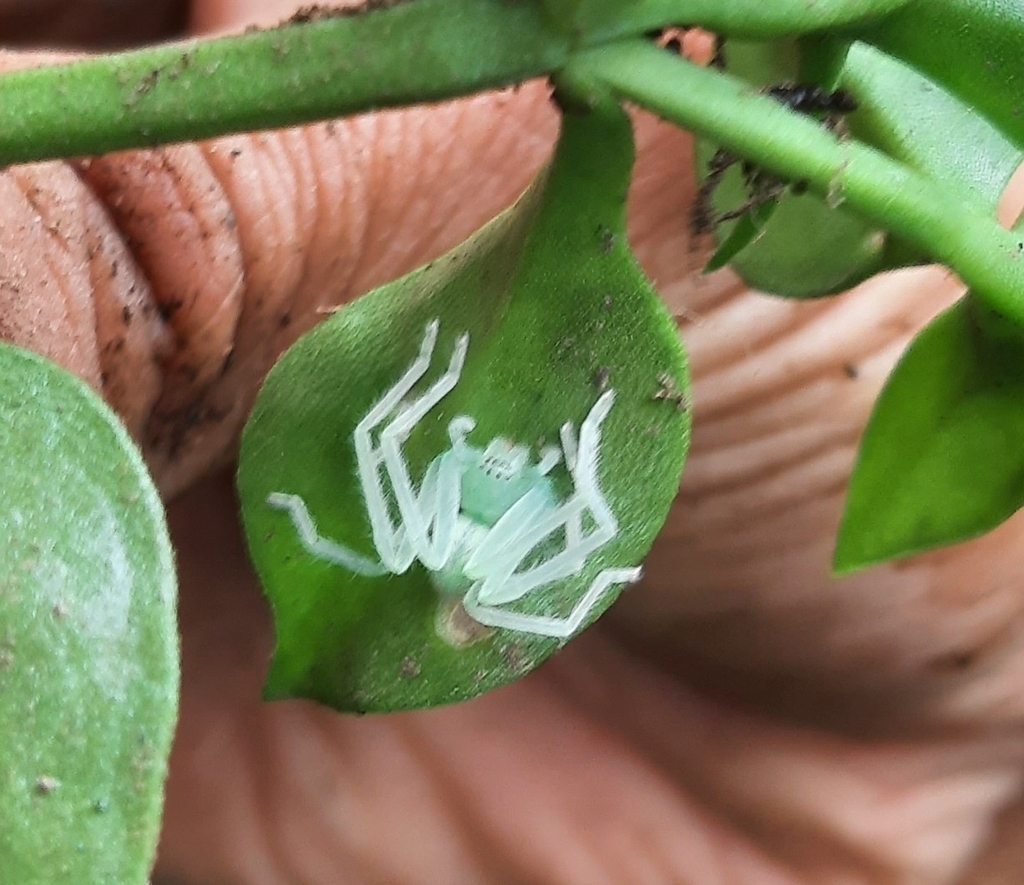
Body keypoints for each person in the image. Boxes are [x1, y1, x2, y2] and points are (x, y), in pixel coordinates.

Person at [3, 1, 1023, 882]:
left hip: (487, 515)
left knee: (404, 488)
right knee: (431, 484)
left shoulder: (449, 564)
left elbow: (549, 547)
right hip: (510, 504)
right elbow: (574, 543)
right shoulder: (483, 559)